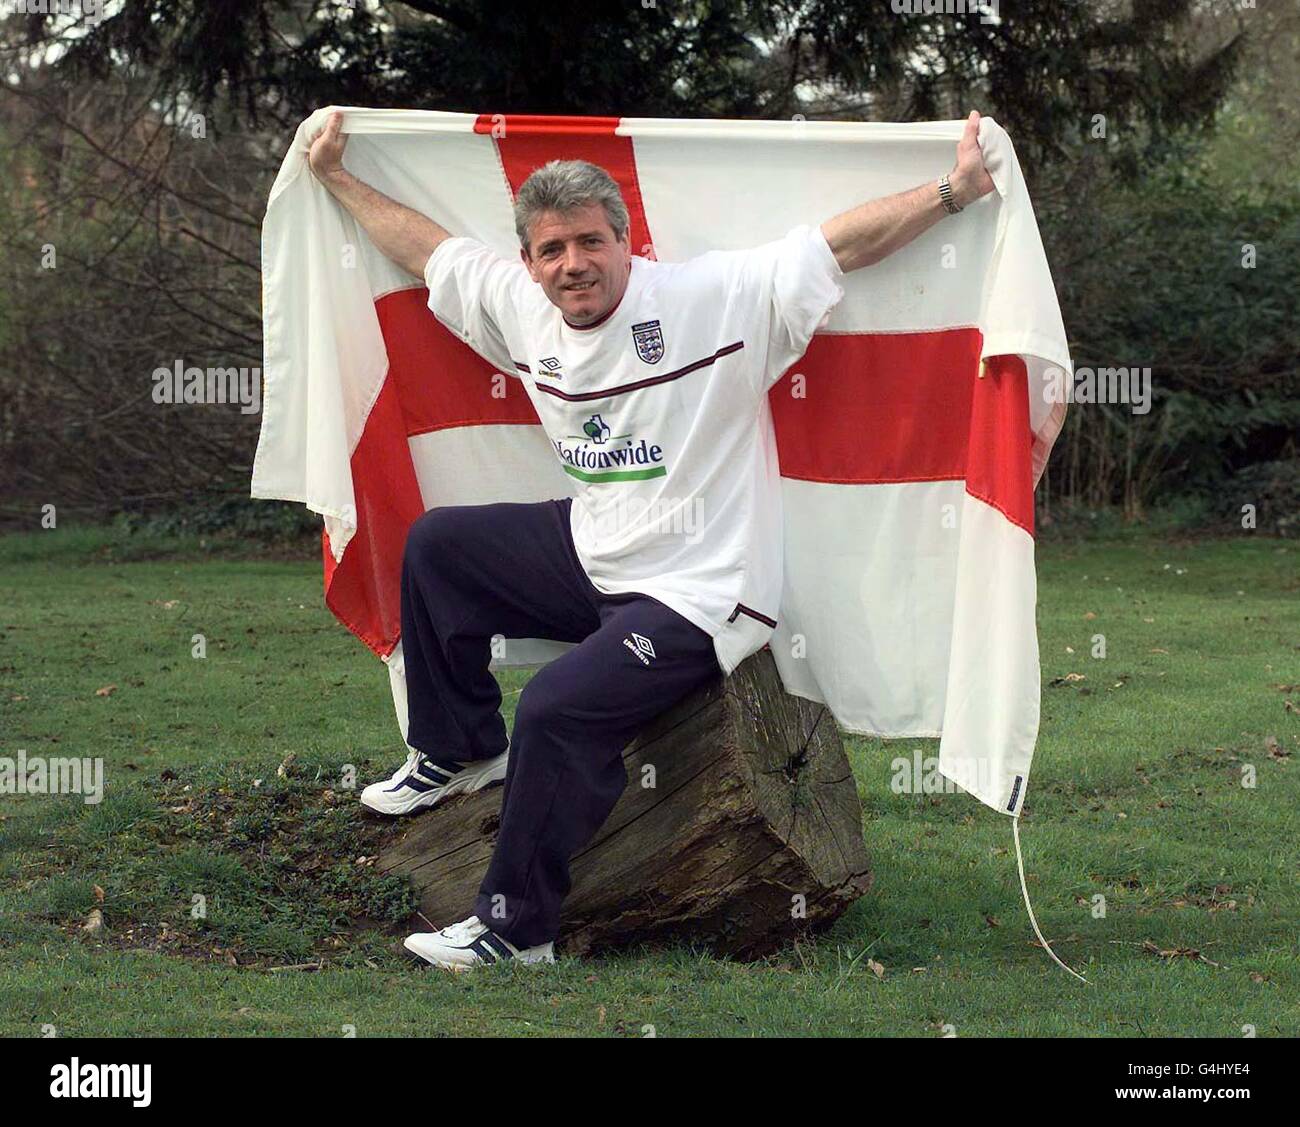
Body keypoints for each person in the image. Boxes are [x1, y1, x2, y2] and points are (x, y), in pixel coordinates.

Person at [306, 109, 995, 971]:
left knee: (556, 707)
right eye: (552, 250)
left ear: (624, 241)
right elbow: (429, 251)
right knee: (440, 546)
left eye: (591, 242)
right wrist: (334, 176)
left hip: (705, 589)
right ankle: (458, 749)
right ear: (529, 261)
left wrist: (952, 190)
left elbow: (836, 247)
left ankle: (516, 931)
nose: (573, 264)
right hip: (599, 548)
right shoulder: (525, 307)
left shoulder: (709, 300)